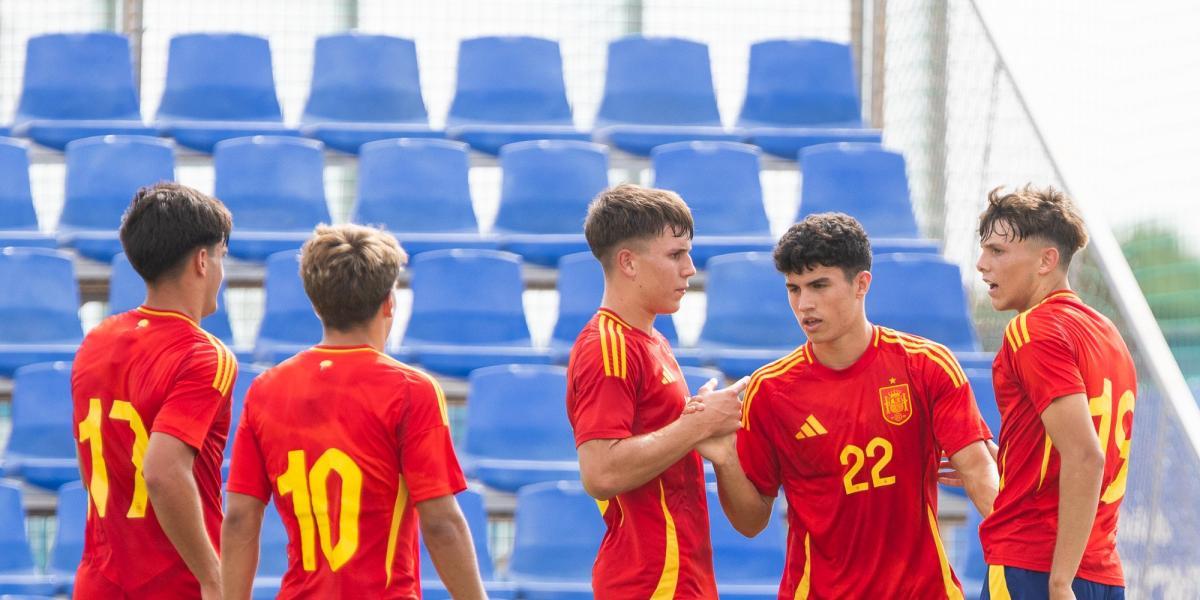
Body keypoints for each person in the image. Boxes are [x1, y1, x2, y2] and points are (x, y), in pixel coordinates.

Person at [704, 212, 999, 598]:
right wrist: (725, 459)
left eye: (819, 285)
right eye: (794, 289)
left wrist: (1026, 555)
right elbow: (751, 521)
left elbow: (978, 471)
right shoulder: (771, 390)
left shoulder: (926, 365)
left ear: (862, 284)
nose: (804, 304)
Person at [221, 224, 485, 599]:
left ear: (315, 304)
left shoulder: (266, 390)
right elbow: (442, 523)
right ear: (389, 302)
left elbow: (240, 518)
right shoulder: (411, 390)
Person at [567, 183, 747, 598]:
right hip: (649, 584)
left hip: (680, 579)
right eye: (675, 254)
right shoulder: (607, 346)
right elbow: (600, 472)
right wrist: (699, 424)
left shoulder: (653, 341)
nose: (690, 268)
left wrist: (705, 433)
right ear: (628, 263)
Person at [71, 182, 236, 599]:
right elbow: (162, 473)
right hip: (172, 585)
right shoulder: (205, 355)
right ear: (203, 261)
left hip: (98, 582)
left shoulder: (96, 341)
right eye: (222, 257)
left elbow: (90, 460)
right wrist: (214, 578)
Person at [975, 186, 1135, 600]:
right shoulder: (1108, 333)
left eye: (997, 251)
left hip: (1039, 568)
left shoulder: (1034, 328)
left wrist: (1060, 581)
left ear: (1047, 260)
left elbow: (1086, 454)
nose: (981, 264)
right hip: (1102, 571)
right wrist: (1013, 465)